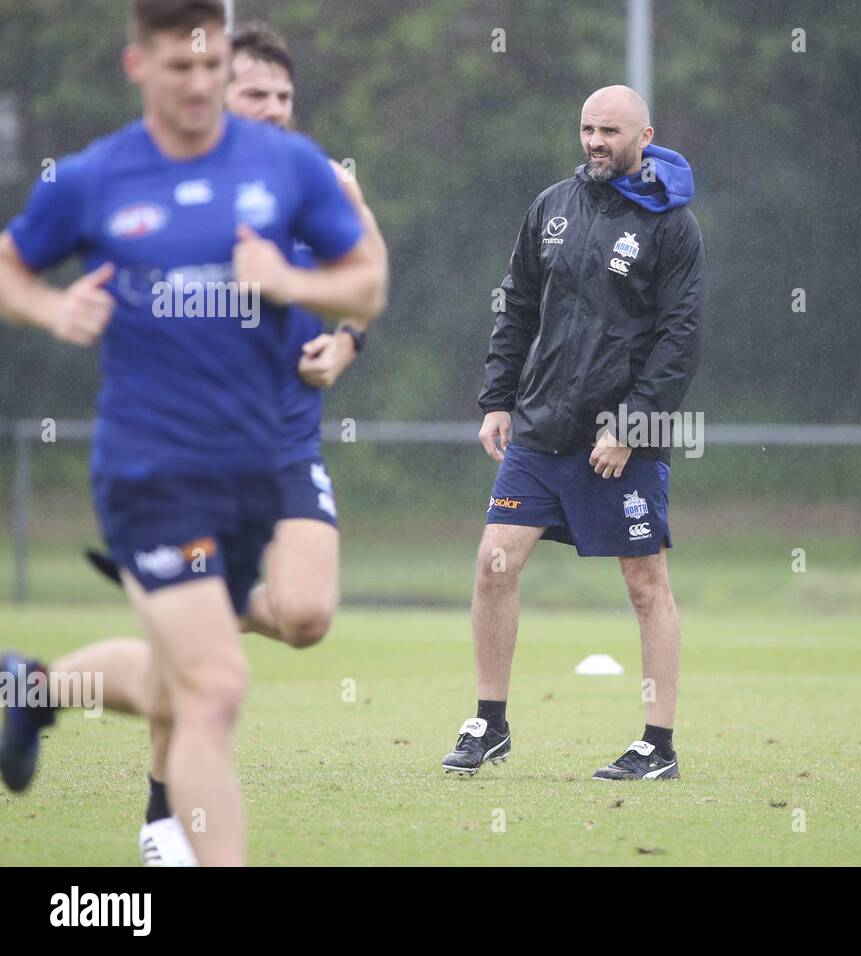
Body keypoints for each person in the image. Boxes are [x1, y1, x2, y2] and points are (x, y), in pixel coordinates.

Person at [0, 0, 386, 866]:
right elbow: (11, 266)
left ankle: (41, 687)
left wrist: (331, 327)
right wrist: (55, 306)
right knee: (214, 682)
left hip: (271, 454)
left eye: (262, 88)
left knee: (284, 626)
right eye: (196, 70)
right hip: (156, 470)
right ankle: (165, 829)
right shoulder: (98, 176)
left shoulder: (301, 176)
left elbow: (363, 282)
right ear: (140, 65)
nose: (214, 90)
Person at [441, 85, 707, 781]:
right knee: (495, 561)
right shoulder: (551, 207)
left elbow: (679, 339)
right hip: (539, 429)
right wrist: (498, 399)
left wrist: (631, 423)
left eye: (610, 131)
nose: (595, 141)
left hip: (623, 438)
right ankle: (488, 723)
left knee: (646, 584)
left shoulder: (672, 225)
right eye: (587, 128)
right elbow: (517, 306)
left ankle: (658, 744)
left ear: (644, 135)